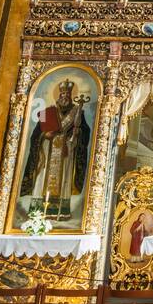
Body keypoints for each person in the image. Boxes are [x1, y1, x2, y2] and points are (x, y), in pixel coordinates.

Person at [18, 79, 91, 223]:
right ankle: (38, 211)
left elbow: (85, 132)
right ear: (58, 94)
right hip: (47, 151)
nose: (65, 96)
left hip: (66, 152)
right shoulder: (46, 112)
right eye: (62, 93)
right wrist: (44, 135)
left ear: (70, 95)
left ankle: (61, 211)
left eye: (67, 94)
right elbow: (36, 133)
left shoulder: (78, 113)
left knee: (63, 178)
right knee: (42, 177)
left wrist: (77, 134)